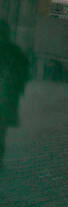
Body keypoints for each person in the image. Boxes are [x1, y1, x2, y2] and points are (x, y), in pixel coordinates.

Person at [0, 21, 29, 170]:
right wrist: (18, 89)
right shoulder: (15, 51)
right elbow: (24, 73)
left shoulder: (12, 52)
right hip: (6, 100)